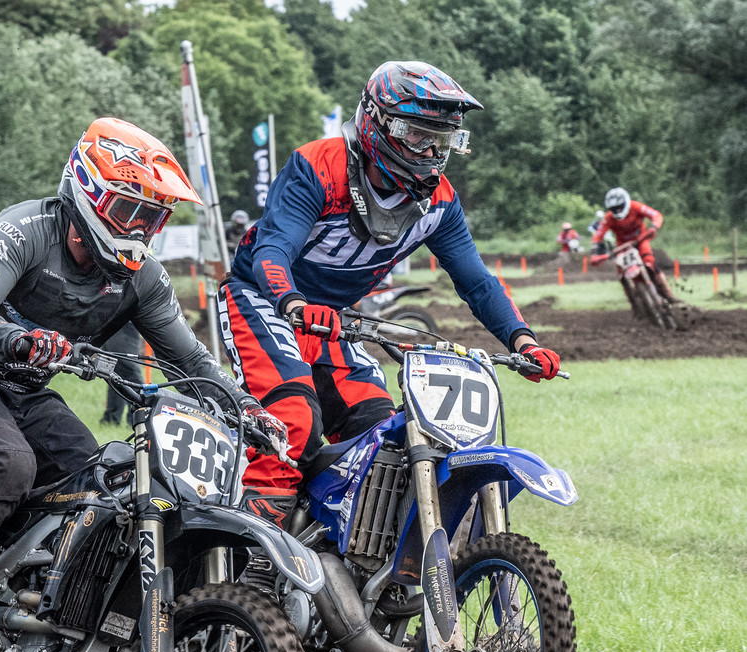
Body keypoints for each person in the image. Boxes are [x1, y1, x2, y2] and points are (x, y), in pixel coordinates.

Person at [0, 116, 287, 652]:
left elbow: (192, 361)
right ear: (89, 192)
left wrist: (246, 408)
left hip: (25, 391)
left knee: (109, 483)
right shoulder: (27, 229)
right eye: (133, 212)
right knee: (6, 464)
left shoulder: (143, 279)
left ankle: (45, 618)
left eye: (154, 217)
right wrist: (15, 337)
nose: (143, 229)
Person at [216, 60, 562, 528]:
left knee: (381, 433)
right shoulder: (319, 166)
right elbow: (273, 248)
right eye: (419, 134)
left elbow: (476, 281)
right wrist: (292, 303)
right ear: (377, 121)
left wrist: (523, 340)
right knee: (292, 421)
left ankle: (338, 548)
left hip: (334, 318)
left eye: (442, 140)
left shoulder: (439, 201)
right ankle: (248, 565)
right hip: (261, 299)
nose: (431, 151)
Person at [589, 187, 677, 304]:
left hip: (640, 241)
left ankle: (668, 294)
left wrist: (654, 227)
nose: (617, 211)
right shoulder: (608, 218)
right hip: (622, 247)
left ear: (626, 202)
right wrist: (595, 252)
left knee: (650, 264)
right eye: (614, 209)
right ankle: (634, 303)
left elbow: (655, 214)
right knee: (622, 275)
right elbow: (598, 235)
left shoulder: (636, 206)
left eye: (619, 207)